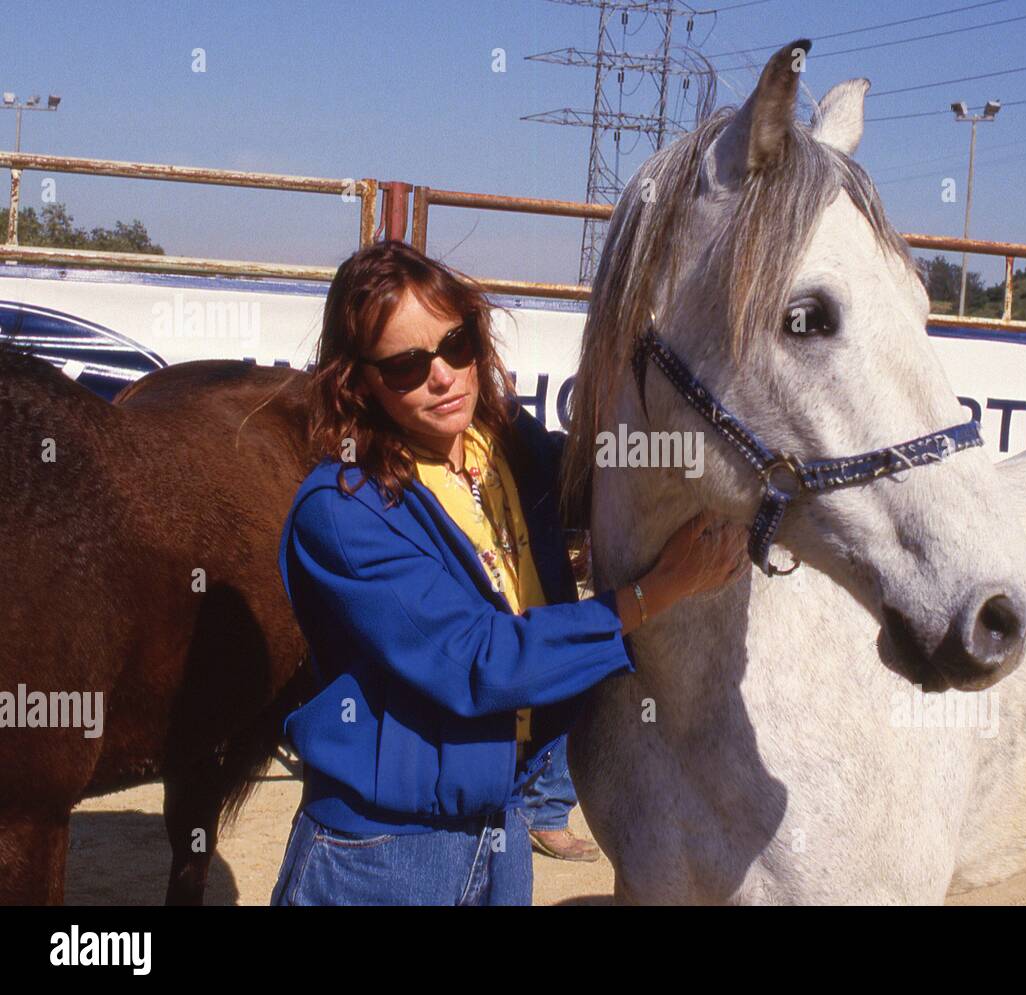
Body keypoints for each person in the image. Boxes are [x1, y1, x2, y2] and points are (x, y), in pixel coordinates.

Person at [269, 240, 748, 906]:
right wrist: (652, 594)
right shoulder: (344, 512)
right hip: (380, 854)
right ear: (361, 381)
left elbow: (608, 480)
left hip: (501, 831)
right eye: (407, 364)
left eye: (456, 343)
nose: (443, 375)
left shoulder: (508, 446)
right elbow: (480, 662)